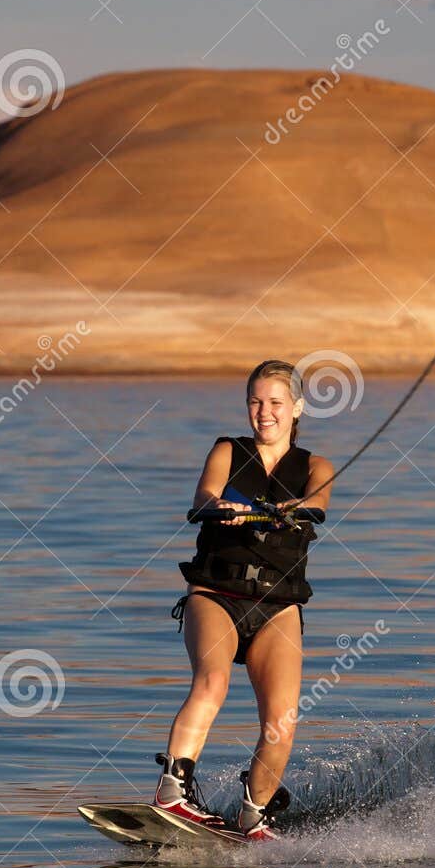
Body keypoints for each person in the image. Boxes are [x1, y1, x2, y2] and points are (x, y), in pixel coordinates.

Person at [154, 360, 333, 841]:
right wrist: (221, 508)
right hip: (216, 594)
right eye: (255, 401)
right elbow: (206, 495)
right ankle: (173, 789)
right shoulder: (227, 450)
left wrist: (289, 511)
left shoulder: (316, 466)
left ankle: (254, 814)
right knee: (211, 683)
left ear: (296, 407)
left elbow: (316, 503)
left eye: (275, 402)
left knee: (282, 720)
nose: (264, 412)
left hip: (277, 605)